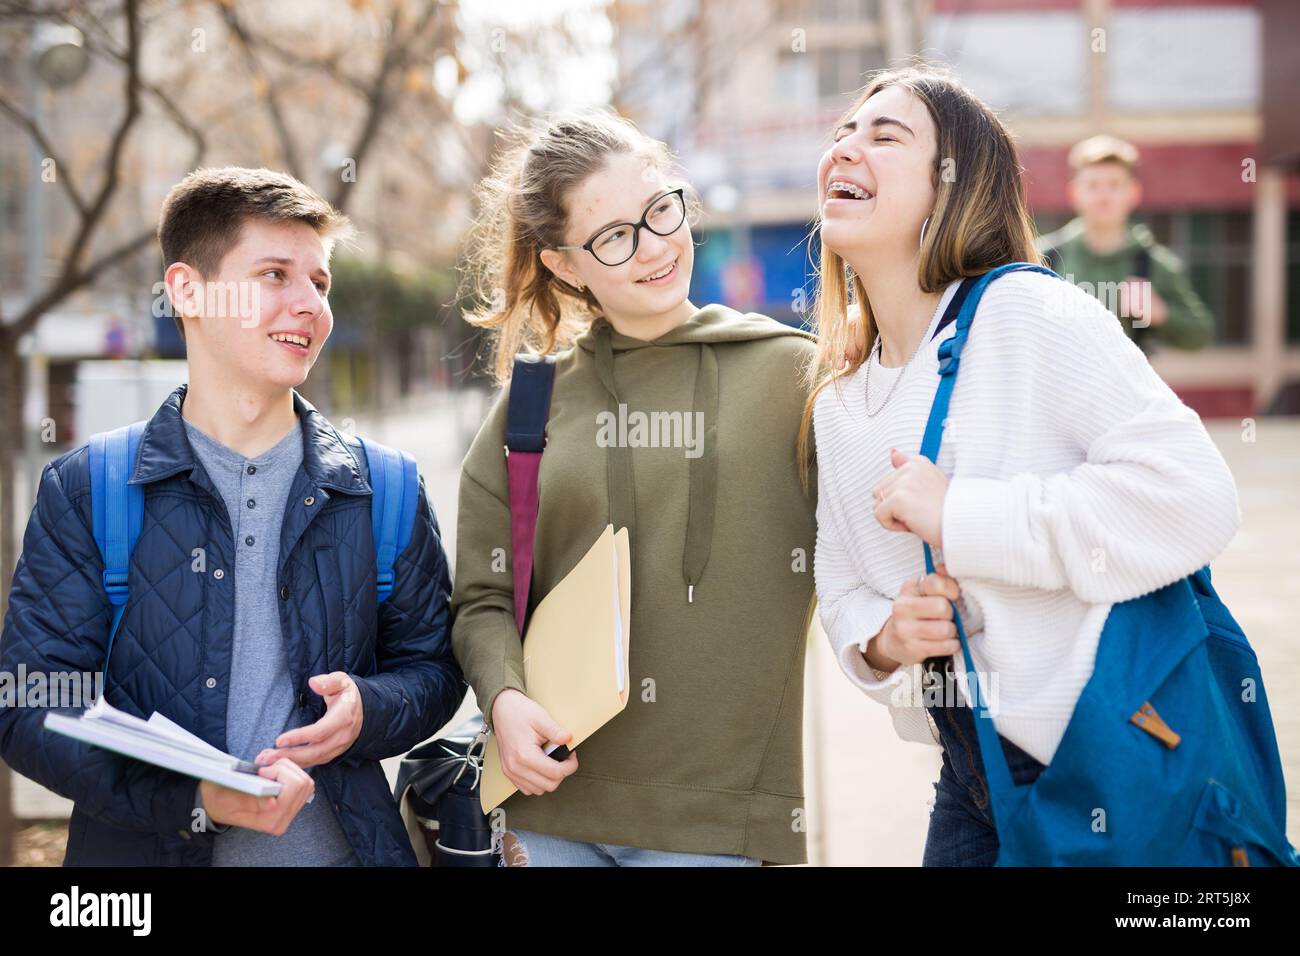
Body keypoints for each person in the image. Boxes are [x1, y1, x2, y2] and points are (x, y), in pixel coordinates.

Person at [805, 67, 1240, 865]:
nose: (845, 148)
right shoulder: (838, 398)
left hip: (1104, 764)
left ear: (951, 186)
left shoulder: (1027, 312)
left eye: (884, 135)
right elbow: (837, 579)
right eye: (843, 133)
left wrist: (962, 516)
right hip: (970, 778)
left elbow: (1196, 496)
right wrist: (883, 637)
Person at [0, 166, 466, 866]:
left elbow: (433, 670)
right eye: (275, 274)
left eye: (320, 282)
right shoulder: (90, 488)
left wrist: (369, 709)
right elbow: (32, 704)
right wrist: (191, 799)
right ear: (187, 290)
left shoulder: (386, 487)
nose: (309, 304)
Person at [452, 112, 818, 866]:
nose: (655, 247)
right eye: (615, 236)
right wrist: (505, 700)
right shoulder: (531, 405)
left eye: (660, 210)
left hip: (720, 823)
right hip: (552, 803)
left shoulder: (795, 376)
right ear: (562, 264)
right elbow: (482, 597)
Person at [1037, 134, 1213, 351]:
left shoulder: (1155, 265)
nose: (1104, 195)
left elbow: (1200, 335)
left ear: (1133, 192)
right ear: (1075, 193)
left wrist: (1160, 314)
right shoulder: (1042, 258)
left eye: (1114, 185)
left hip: (1125, 385)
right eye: (1093, 185)